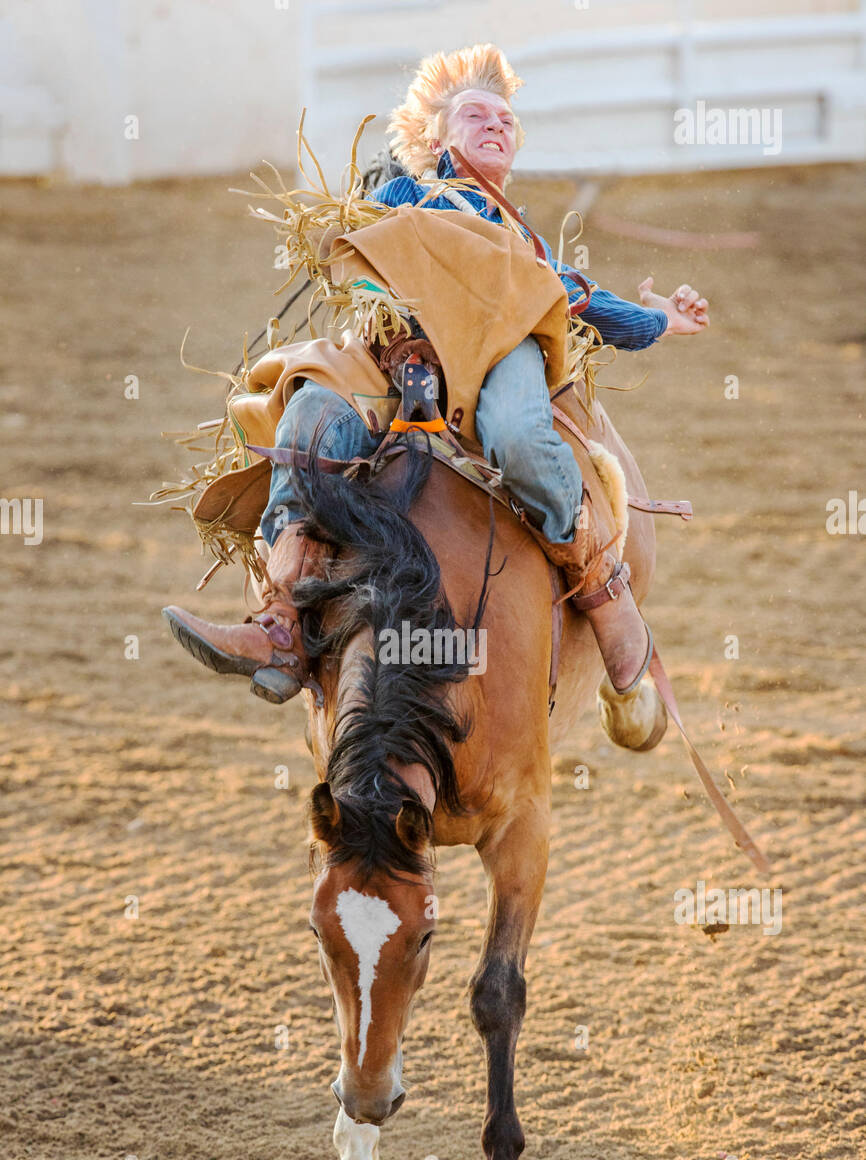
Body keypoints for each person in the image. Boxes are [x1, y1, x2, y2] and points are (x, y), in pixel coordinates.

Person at [165, 44, 708, 703]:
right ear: (435, 135)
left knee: (517, 434)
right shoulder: (401, 193)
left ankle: (602, 589)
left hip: (496, 352)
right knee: (310, 416)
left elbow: (578, 294)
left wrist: (656, 320)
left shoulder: (520, 238)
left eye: (507, 121)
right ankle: (281, 619)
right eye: (477, 114)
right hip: (397, 353)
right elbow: (360, 241)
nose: (497, 126)